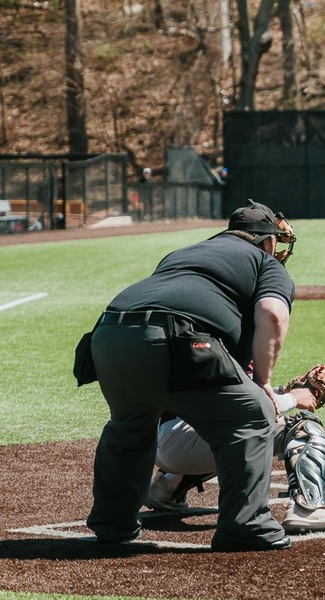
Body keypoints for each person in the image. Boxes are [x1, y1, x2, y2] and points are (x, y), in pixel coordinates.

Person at [77, 200, 308, 551]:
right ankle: (246, 527)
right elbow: (273, 315)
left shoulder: (183, 254)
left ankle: (113, 524)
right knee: (254, 415)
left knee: (129, 427)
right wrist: (263, 385)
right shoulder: (264, 262)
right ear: (265, 241)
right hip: (173, 337)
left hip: (107, 335)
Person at [145, 403, 325, 535]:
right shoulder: (229, 342)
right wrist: (294, 397)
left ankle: (166, 487)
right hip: (191, 441)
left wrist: (283, 391)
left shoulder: (181, 340)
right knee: (304, 425)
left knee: (226, 427)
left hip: (151, 440)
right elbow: (243, 404)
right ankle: (308, 508)